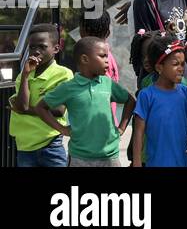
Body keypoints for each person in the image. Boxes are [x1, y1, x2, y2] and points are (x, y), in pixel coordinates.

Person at [34, 36, 134, 167]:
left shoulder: (107, 83)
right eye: (102, 56)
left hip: (110, 157)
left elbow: (130, 100)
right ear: (85, 59)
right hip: (79, 158)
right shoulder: (68, 87)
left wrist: (121, 128)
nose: (107, 61)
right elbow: (41, 107)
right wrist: (62, 129)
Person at [9, 23, 73, 167]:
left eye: (42, 47)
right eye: (32, 47)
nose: (36, 51)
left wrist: (27, 110)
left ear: (56, 48)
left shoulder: (63, 74)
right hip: (25, 145)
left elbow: (58, 109)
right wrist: (25, 75)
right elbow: (22, 105)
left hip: (50, 143)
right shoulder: (23, 74)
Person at [130, 35, 187, 168]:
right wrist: (136, 162)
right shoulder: (146, 95)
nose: (181, 68)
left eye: (183, 64)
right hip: (156, 162)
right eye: (175, 64)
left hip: (183, 162)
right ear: (159, 67)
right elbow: (138, 133)